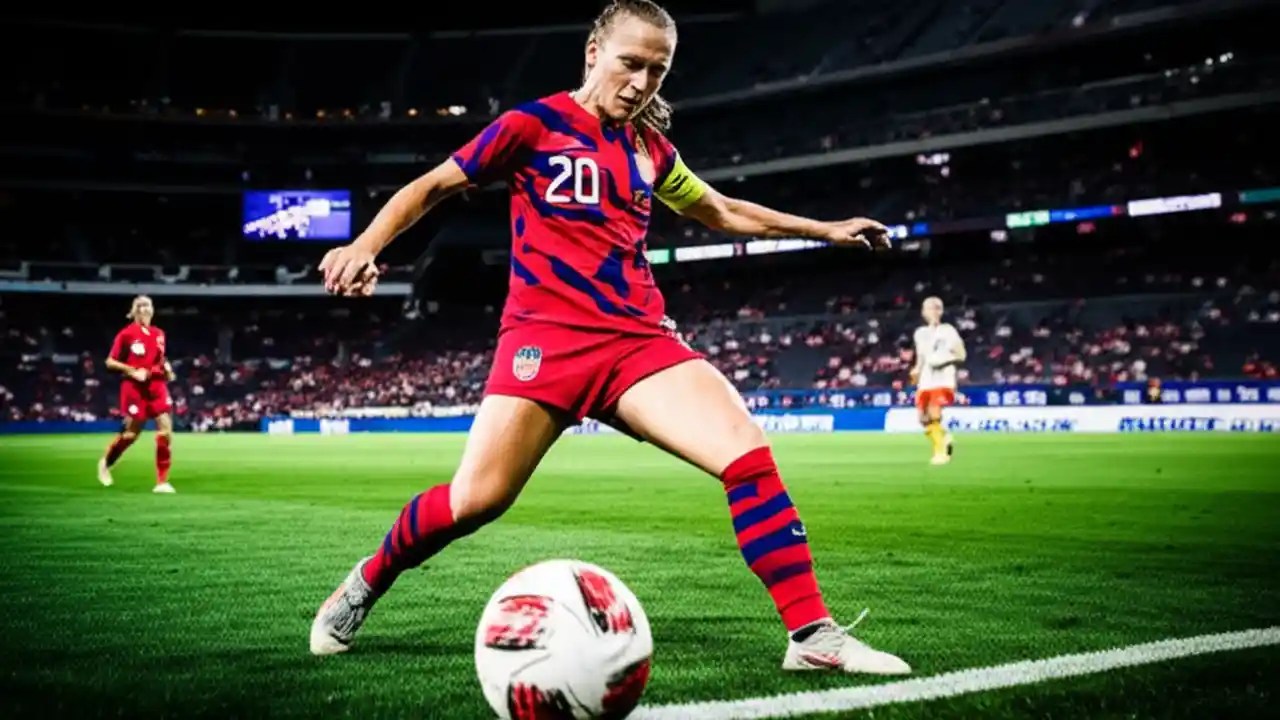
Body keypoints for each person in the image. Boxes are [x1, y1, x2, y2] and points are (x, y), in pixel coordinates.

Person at [311, 0, 908, 675]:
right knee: (475, 500)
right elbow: (433, 186)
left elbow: (722, 211)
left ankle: (812, 637)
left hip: (636, 344)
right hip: (543, 345)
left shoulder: (652, 151)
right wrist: (366, 243)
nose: (641, 82)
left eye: (657, 71)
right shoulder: (531, 126)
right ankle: (367, 579)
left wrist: (825, 228)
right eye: (630, 62)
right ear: (593, 52)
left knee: (745, 453)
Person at [98, 295, 178, 493]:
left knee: (166, 431)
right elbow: (110, 362)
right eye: (139, 306)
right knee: (132, 434)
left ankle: (162, 482)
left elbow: (159, 359)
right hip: (134, 387)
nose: (143, 309)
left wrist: (167, 370)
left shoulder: (159, 334)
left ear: (152, 310)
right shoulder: (126, 334)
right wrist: (132, 370)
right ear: (133, 311)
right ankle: (106, 463)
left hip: (157, 386)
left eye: (147, 305)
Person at [910, 297, 966, 465]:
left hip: (942, 378)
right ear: (923, 312)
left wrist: (943, 360)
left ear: (940, 311)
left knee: (934, 413)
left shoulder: (948, 330)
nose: (931, 311)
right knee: (923, 418)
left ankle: (940, 453)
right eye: (928, 308)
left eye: (935, 308)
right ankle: (945, 437)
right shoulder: (920, 333)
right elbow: (921, 357)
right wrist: (917, 370)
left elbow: (961, 355)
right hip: (926, 380)